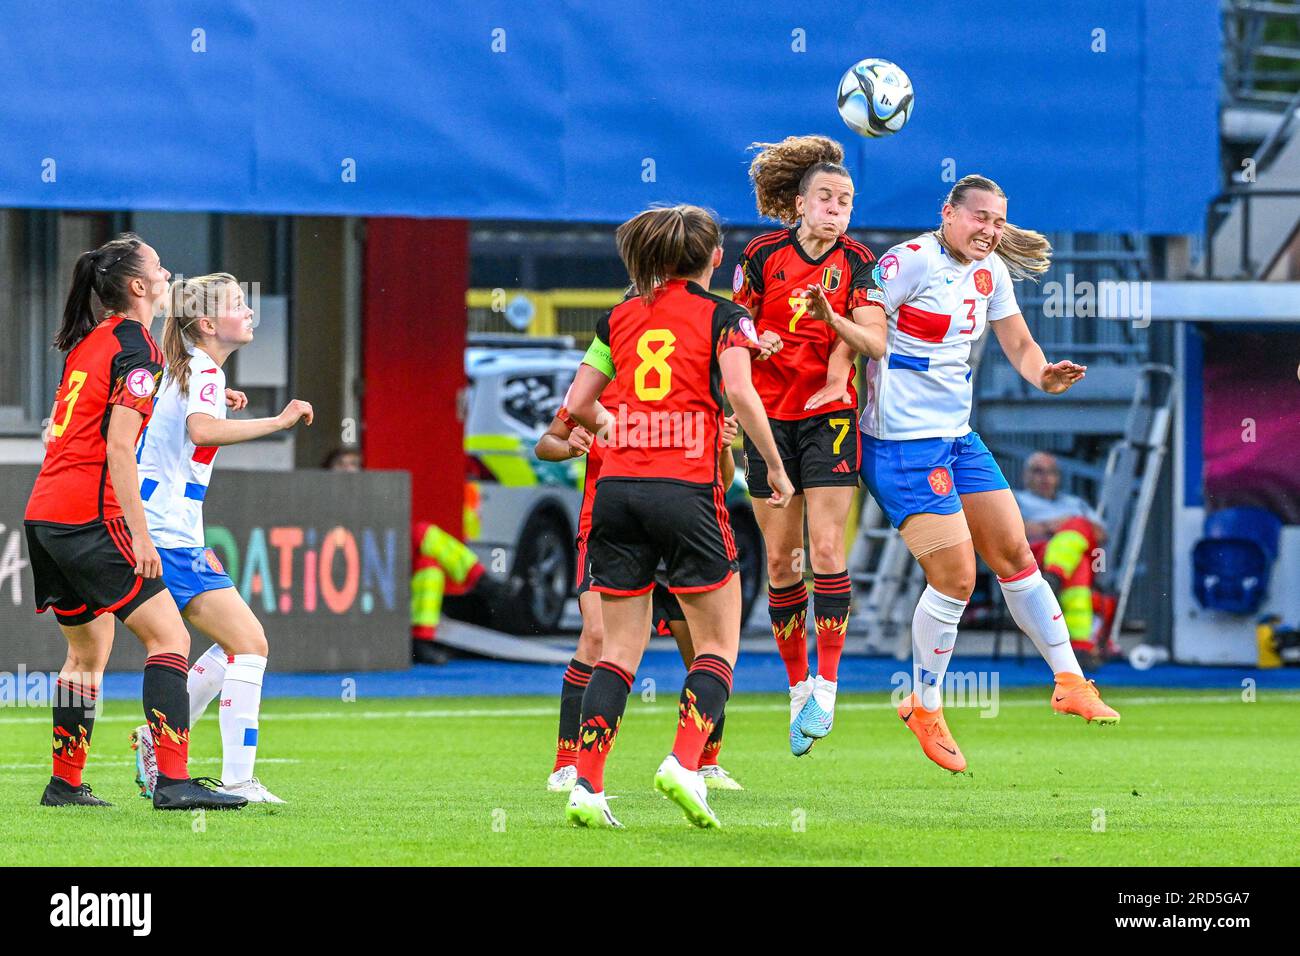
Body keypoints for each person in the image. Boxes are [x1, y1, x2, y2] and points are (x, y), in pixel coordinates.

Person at [805, 174, 1121, 774]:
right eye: (980, 218)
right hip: (899, 446)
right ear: (947, 213)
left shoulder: (991, 271)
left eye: (998, 222)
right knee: (955, 578)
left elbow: (1021, 344)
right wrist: (831, 378)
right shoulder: (908, 262)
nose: (990, 231)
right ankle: (924, 707)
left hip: (957, 439)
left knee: (1013, 554)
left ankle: (1071, 681)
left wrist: (1043, 375)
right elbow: (862, 323)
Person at [562, 204, 792, 828]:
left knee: (618, 651)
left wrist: (622, 429)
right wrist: (771, 464)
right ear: (715, 259)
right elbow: (741, 393)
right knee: (719, 641)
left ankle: (587, 785)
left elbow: (578, 403)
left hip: (616, 492)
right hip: (685, 491)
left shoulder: (618, 318)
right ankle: (684, 764)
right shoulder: (726, 316)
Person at [24, 234, 246, 810]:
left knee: (84, 656)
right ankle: (172, 781)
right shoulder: (138, 348)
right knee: (169, 637)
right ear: (138, 286)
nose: (169, 271)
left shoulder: (93, 342)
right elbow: (121, 447)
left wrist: (223, 397)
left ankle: (64, 785)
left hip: (45, 515)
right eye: (158, 265)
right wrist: (140, 535)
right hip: (91, 517)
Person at [129, 273, 314, 803]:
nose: (249, 312)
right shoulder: (201, 370)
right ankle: (237, 780)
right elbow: (202, 431)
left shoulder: (182, 369)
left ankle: (155, 736)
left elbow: (182, 422)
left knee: (237, 644)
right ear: (208, 325)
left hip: (158, 527)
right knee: (250, 644)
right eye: (239, 304)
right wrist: (277, 421)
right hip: (168, 532)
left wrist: (214, 399)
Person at [736, 135, 877, 756]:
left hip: (831, 416)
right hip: (767, 421)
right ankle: (797, 689)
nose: (836, 209)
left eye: (845, 200)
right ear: (799, 203)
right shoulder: (763, 254)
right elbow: (732, 328)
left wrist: (831, 323)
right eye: (826, 197)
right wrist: (751, 343)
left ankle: (829, 683)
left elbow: (872, 341)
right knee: (780, 560)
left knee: (826, 546)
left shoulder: (858, 261)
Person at [536, 405, 750, 792]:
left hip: (676, 533)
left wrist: (721, 447)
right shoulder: (597, 386)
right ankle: (567, 763)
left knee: (701, 646)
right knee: (598, 637)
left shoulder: (686, 393)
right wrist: (568, 446)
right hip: (610, 531)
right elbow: (545, 443)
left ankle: (705, 762)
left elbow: (724, 478)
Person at [1015, 451, 1117, 664]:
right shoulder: (1016, 499)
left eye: (1051, 472)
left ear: (1059, 478)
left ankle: (1055, 575)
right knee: (1078, 558)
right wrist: (1059, 525)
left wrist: (1059, 527)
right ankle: (1080, 647)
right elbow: (1013, 532)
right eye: (1038, 472)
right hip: (1035, 560)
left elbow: (1100, 534)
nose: (1045, 478)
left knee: (1079, 526)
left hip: (1058, 563)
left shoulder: (1075, 503)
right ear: (1025, 475)